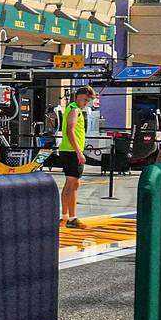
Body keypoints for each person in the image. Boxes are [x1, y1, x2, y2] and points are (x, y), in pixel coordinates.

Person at [57, 85, 94, 230]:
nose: (86, 103)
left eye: (88, 101)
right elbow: (70, 130)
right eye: (85, 100)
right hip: (72, 151)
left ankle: (65, 215)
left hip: (67, 150)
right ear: (79, 96)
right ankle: (72, 218)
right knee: (73, 185)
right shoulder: (75, 110)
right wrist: (79, 152)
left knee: (70, 183)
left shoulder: (71, 107)